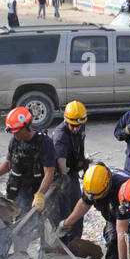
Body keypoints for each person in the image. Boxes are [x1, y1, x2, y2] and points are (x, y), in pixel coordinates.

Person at [0, 106, 57, 213]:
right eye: (13, 133)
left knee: (35, 220)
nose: (14, 135)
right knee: (16, 217)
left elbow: (49, 173)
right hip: (18, 189)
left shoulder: (44, 143)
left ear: (27, 127)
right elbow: (8, 163)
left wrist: (40, 195)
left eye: (17, 132)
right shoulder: (15, 141)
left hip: (37, 188)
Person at [60, 162, 130, 259]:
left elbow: (122, 232)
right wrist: (66, 224)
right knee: (112, 241)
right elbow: (84, 204)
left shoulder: (122, 190)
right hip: (113, 213)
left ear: (107, 188)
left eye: (97, 197)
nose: (94, 200)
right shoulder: (93, 185)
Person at [47, 100, 91, 250]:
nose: (76, 129)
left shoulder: (79, 126)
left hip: (72, 172)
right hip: (62, 176)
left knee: (77, 209)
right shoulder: (60, 136)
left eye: (78, 125)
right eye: (72, 125)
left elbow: (80, 145)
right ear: (66, 121)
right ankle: (63, 245)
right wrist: (64, 178)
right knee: (64, 212)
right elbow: (61, 161)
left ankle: (75, 241)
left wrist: (83, 162)